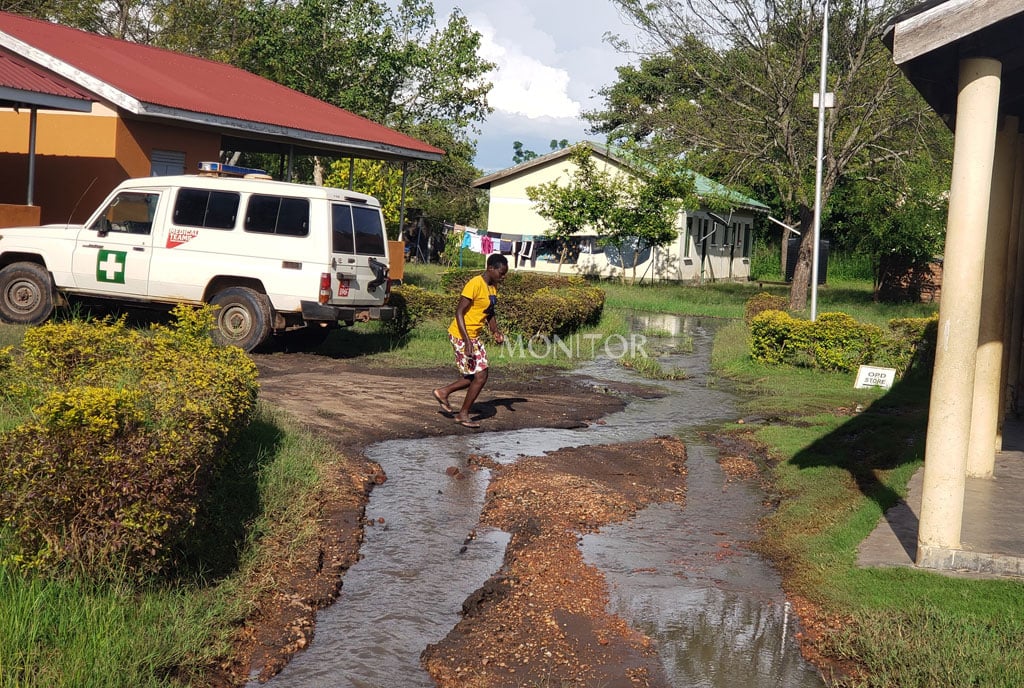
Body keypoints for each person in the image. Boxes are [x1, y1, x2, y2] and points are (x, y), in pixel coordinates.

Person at [432, 253, 508, 428]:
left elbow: (489, 312)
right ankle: (462, 414)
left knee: (475, 375)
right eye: (501, 273)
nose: (503, 277)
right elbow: (459, 312)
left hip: (474, 335)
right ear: (491, 268)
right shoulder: (475, 284)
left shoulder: (492, 286)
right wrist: (466, 341)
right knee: (480, 375)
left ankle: (443, 392)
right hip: (461, 334)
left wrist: (495, 331)